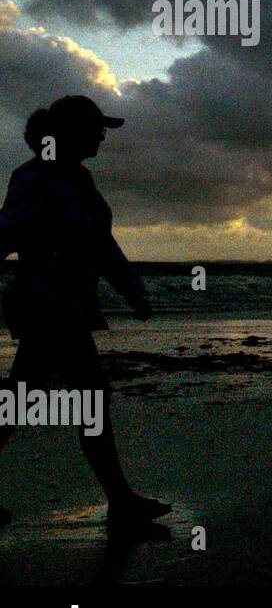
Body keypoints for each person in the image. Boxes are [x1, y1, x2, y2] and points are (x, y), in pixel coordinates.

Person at [0, 95, 170, 529]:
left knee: (22, 400)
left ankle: (121, 501)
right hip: (46, 307)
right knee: (83, 398)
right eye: (96, 129)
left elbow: (101, 245)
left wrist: (133, 291)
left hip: (67, 308)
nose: (101, 137)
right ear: (71, 133)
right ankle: (121, 502)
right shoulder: (36, 177)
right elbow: (5, 233)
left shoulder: (78, 179)